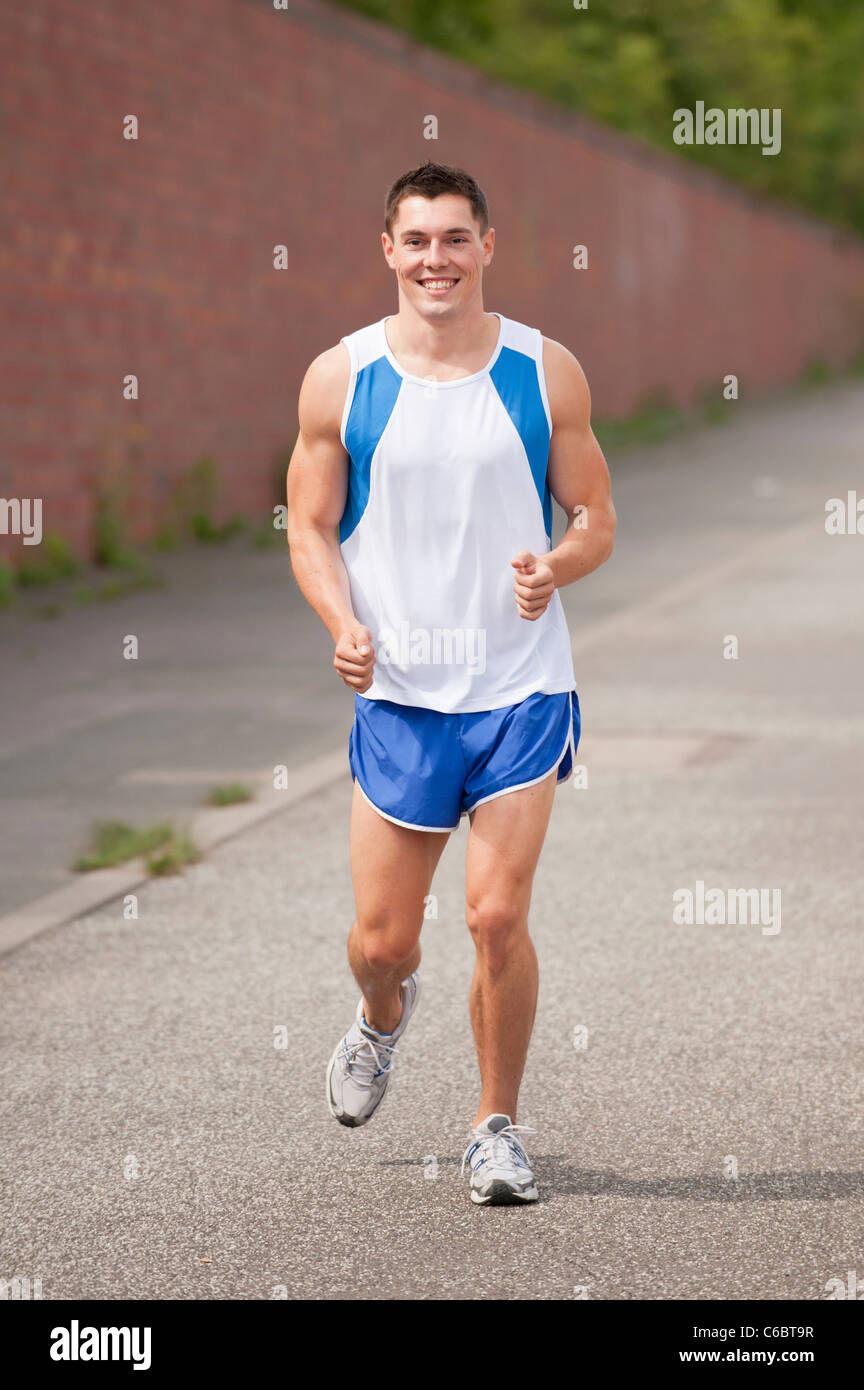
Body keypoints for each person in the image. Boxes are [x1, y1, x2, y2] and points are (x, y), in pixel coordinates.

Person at [286, 161, 615, 1204]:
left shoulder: (545, 369)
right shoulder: (339, 377)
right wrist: (341, 621)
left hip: (520, 687)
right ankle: (384, 1016)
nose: (437, 259)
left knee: (494, 918)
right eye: (417, 240)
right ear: (388, 250)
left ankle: (494, 1127)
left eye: (455, 238)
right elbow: (306, 524)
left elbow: (597, 517)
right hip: (401, 698)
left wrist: (555, 567)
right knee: (383, 940)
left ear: (487, 247)